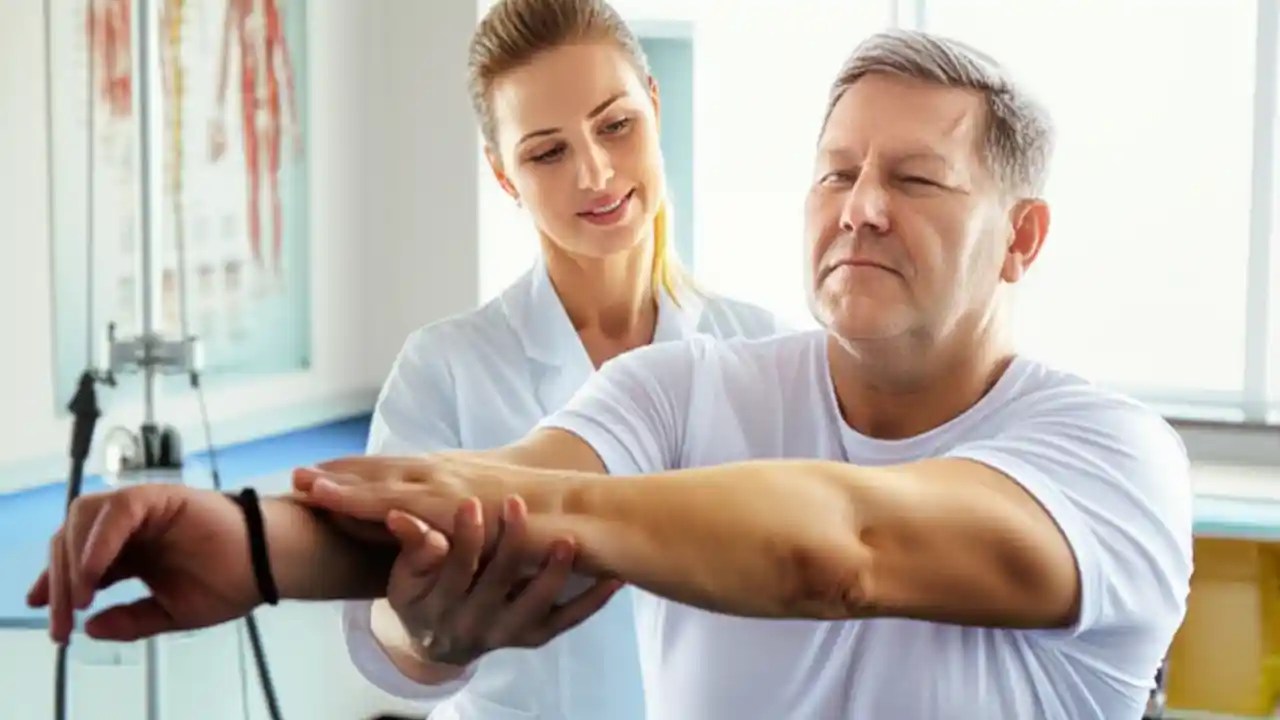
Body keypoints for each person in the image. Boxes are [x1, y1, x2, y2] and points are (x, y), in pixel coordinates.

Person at [30, 28, 1194, 720]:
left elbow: (839, 553)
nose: (860, 208)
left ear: (1022, 238)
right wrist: (245, 542)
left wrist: (534, 515)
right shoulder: (678, 390)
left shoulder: (1110, 457)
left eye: (916, 180)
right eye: (833, 172)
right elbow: (476, 498)